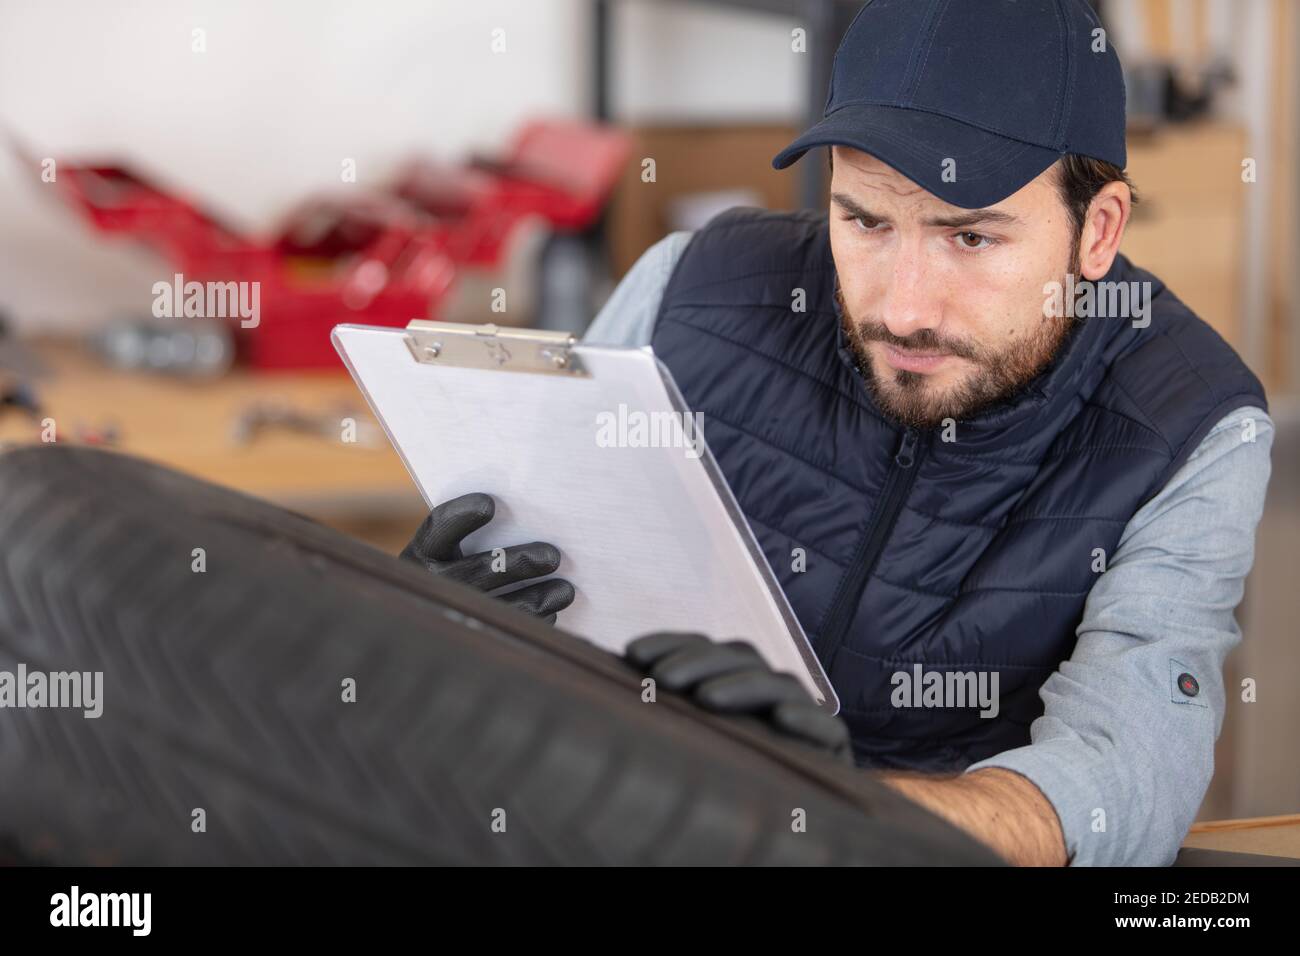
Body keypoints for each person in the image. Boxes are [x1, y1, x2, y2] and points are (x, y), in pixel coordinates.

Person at [402, 0, 1272, 866]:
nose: (902, 308)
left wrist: (832, 817)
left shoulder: (1192, 424)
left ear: (1099, 230)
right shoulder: (691, 285)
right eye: (864, 220)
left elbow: (1125, 777)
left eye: (969, 237)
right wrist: (434, 626)